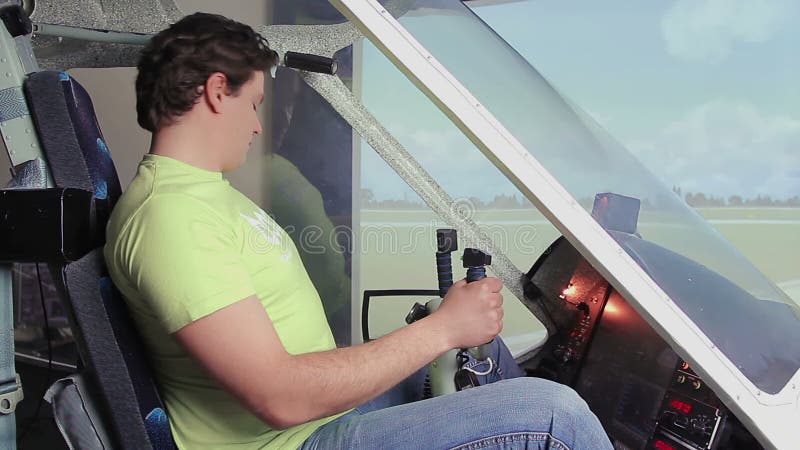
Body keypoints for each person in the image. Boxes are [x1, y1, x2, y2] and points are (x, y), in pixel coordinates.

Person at [104, 12, 613, 450]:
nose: (258, 126)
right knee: (554, 416)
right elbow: (280, 397)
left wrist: (449, 332)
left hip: (316, 419)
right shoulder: (169, 217)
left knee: (484, 358)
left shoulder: (204, 196)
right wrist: (441, 327)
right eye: (254, 103)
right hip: (293, 438)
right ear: (217, 91)